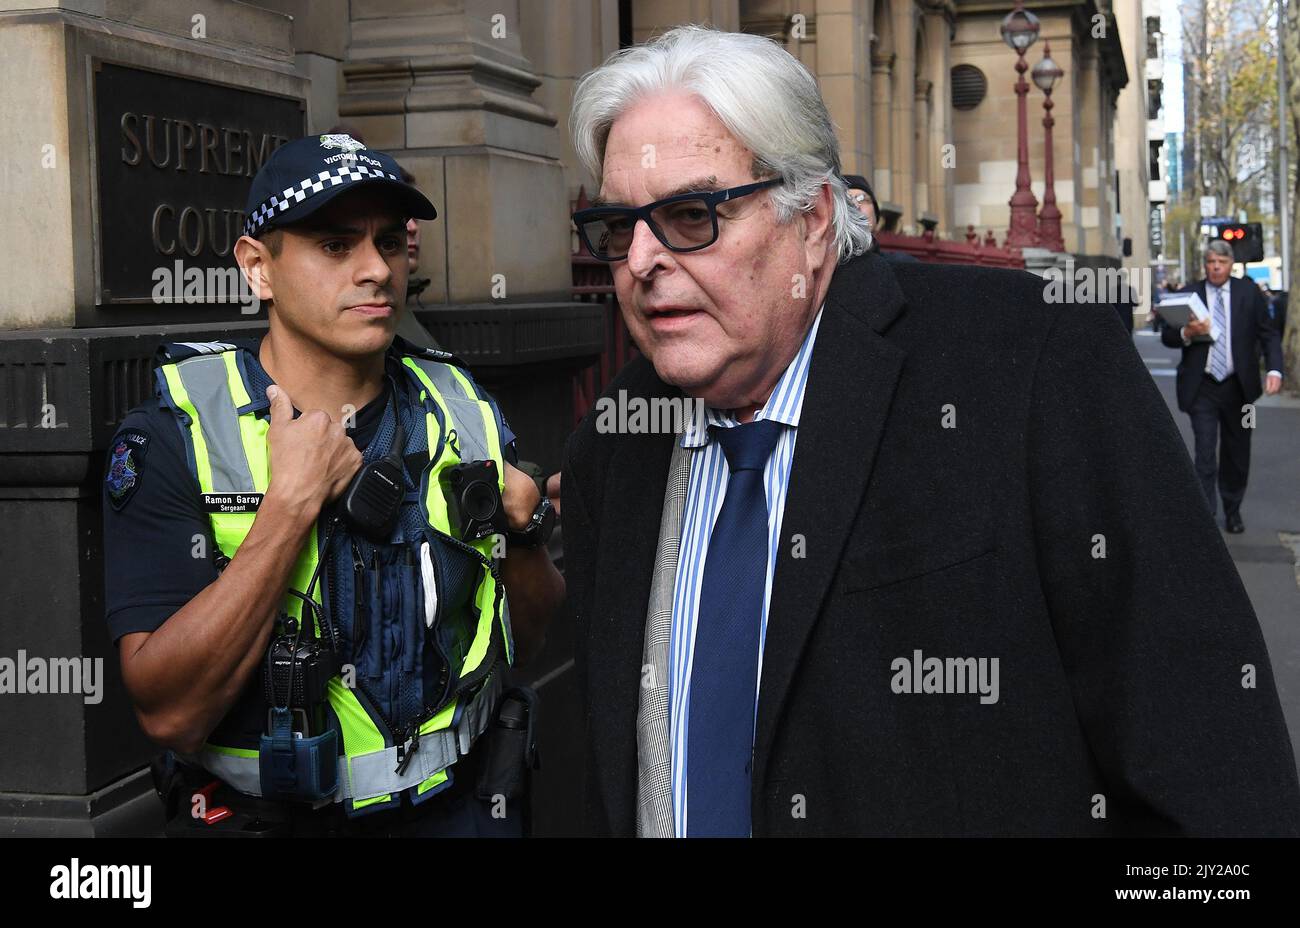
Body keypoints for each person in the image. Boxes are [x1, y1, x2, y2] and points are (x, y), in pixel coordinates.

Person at [562, 26, 1300, 837]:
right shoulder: (614, 442)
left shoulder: (1030, 364)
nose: (638, 261)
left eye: (689, 215)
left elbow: (1214, 770)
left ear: (810, 221)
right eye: (616, 225)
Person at [103, 134, 563, 836]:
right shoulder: (179, 433)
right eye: (335, 245)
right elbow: (169, 712)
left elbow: (527, 644)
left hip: (459, 810)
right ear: (258, 267)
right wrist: (288, 507)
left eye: (389, 243)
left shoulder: (461, 407)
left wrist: (524, 536)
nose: (376, 270)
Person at [1160, 240, 1284, 533]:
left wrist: (1275, 369)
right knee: (1204, 452)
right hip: (1202, 386)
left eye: (1222, 262)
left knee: (1237, 452)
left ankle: (1232, 509)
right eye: (1211, 262)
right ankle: (1206, 516)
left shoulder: (1248, 293)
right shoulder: (1189, 293)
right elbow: (1168, 336)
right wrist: (1187, 332)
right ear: (1205, 264)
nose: (1216, 267)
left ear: (1231, 265)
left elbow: (1268, 335)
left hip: (1239, 388)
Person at [841, 173, 917, 262]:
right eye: (848, 201)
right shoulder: (827, 272)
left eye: (862, 199)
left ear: (876, 215)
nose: (856, 205)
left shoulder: (902, 263)